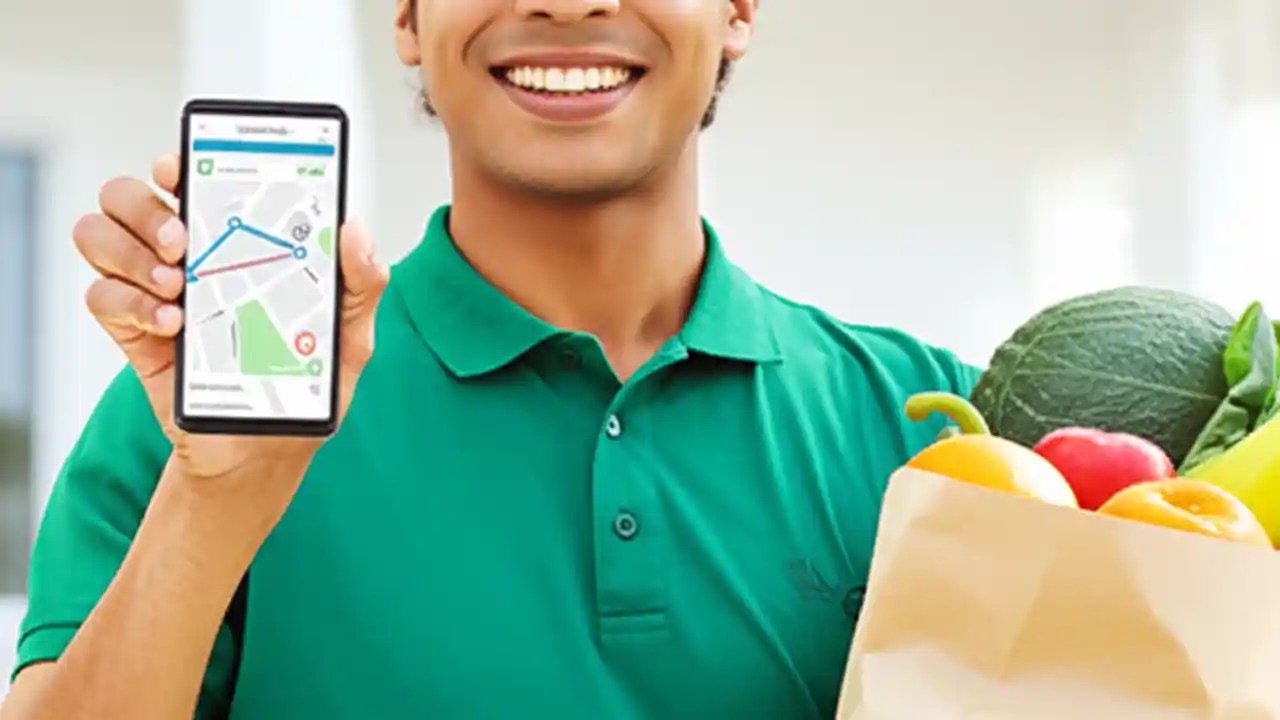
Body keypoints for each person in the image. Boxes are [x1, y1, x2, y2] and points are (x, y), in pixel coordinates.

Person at [2, 0, 980, 718]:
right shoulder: (196, 428)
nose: (566, 4)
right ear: (406, 15)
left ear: (737, 9)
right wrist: (218, 501)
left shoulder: (940, 430)